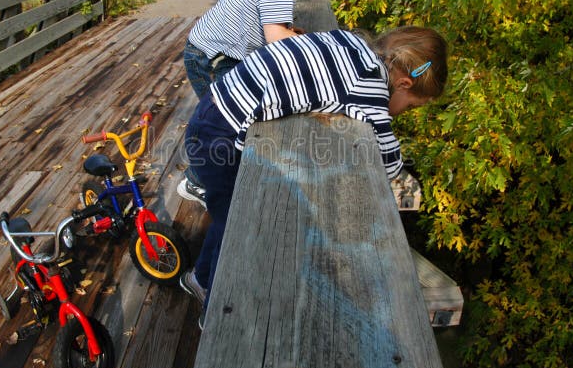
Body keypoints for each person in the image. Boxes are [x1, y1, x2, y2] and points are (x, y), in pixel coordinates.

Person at [177, 25, 449, 328]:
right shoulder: (370, 84)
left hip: (213, 112)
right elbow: (387, 157)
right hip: (221, 135)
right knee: (238, 226)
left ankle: (200, 278)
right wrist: (401, 178)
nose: (402, 112)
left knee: (227, 216)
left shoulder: (352, 42)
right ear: (404, 83)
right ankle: (216, 313)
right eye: (410, 106)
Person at [177, 0, 368, 207]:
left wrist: (293, 31)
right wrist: (323, 48)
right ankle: (197, 181)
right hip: (211, 58)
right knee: (229, 118)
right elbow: (277, 39)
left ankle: (215, 173)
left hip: (220, 52)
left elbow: (275, 25)